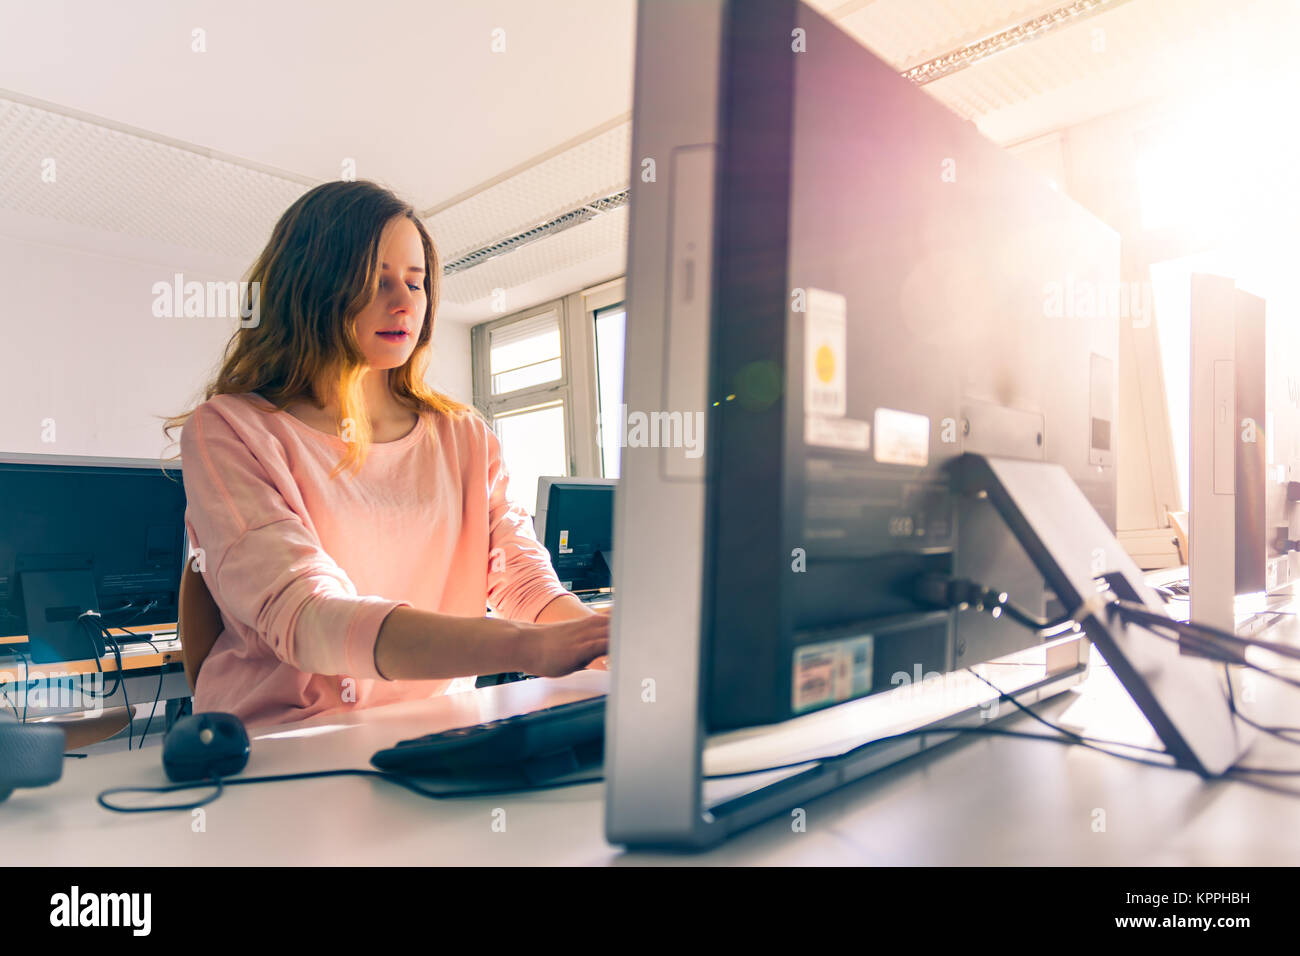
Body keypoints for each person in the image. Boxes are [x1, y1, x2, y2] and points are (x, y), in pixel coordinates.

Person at [167, 180, 608, 727]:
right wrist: (524, 647)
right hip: (286, 741)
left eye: (416, 282)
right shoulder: (230, 430)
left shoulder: (464, 437)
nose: (404, 302)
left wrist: (600, 642)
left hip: (434, 727)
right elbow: (306, 618)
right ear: (311, 287)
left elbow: (522, 581)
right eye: (376, 281)